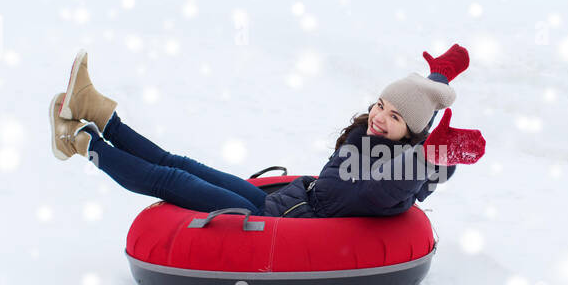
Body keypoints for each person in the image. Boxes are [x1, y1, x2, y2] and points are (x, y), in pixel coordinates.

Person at [48, 45, 485, 218]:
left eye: (393, 116)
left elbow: (397, 182)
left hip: (277, 221)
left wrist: (433, 157)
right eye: (381, 105)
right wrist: (439, 78)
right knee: (179, 164)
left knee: (171, 181)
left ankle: (84, 144)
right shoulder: (377, 137)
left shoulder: (392, 176)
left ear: (411, 134)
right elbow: (420, 112)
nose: (379, 116)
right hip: (286, 199)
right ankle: (100, 115)